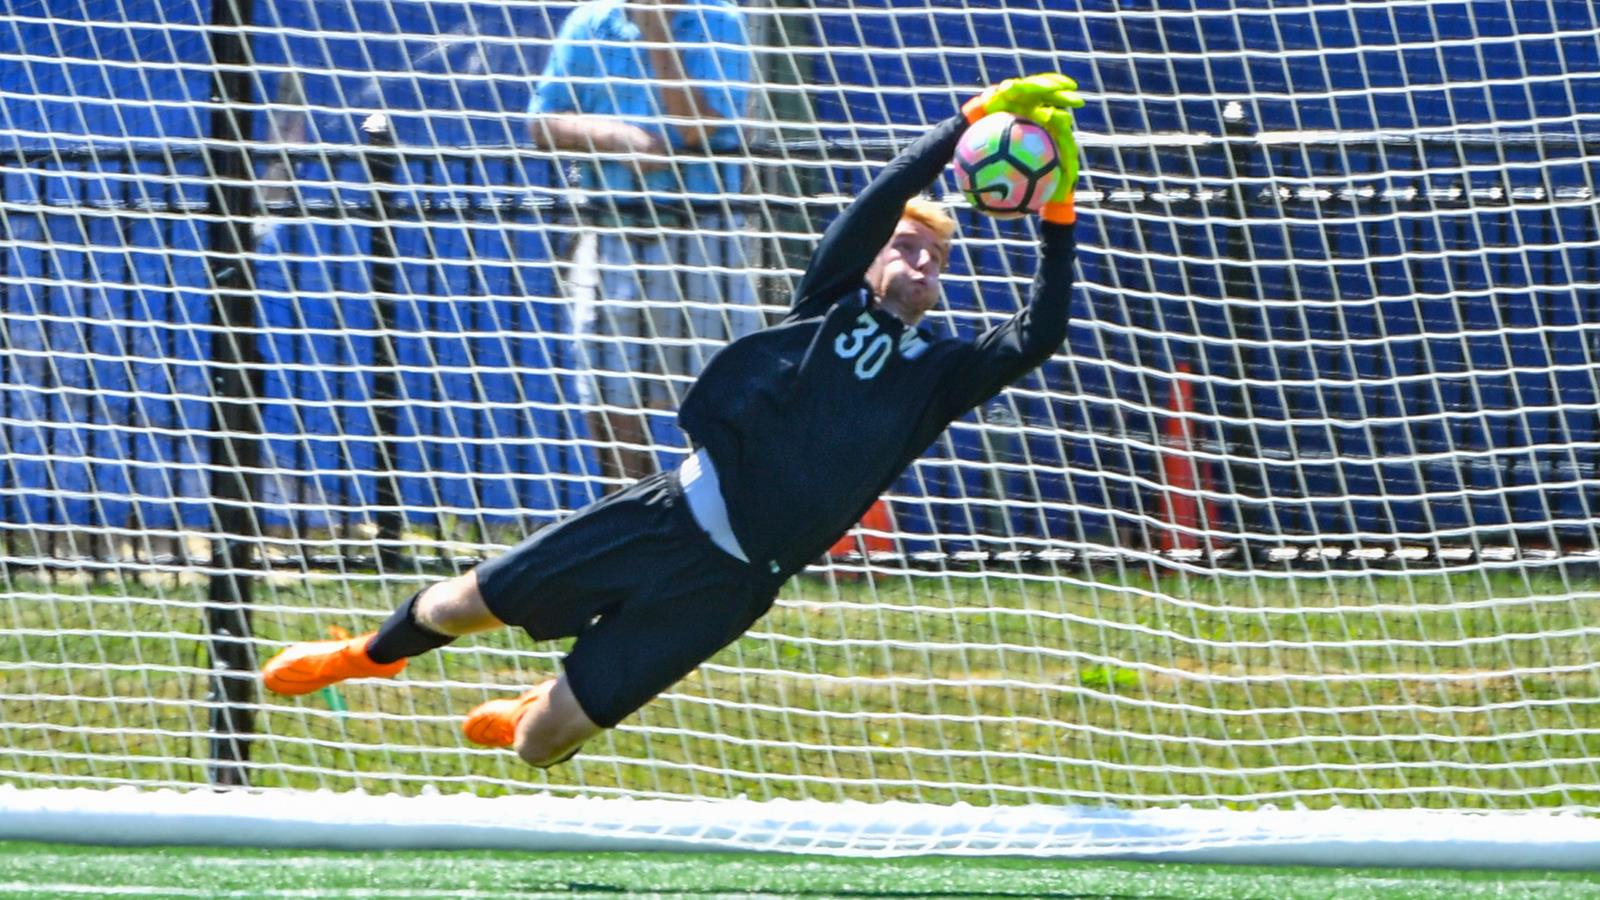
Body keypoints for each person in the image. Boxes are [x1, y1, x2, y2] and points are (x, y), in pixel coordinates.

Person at [262, 74, 1085, 769]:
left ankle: (536, 703)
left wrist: (1058, 211)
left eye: (936, 258)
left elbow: (1038, 335)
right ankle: (364, 657)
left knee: (539, 749)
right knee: (457, 610)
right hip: (666, 516)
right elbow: (875, 204)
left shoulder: (936, 376)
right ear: (871, 258)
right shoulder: (827, 307)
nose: (919, 262)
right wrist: (966, 124)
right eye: (906, 247)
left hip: (730, 587)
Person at [532, 0, 760, 485]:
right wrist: (612, 137)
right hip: (611, 232)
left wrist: (657, 33)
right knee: (610, 397)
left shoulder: (721, 22)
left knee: (716, 397)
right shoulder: (589, 23)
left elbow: (699, 128)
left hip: (701, 238)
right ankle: (628, 526)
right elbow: (542, 123)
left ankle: (712, 528)